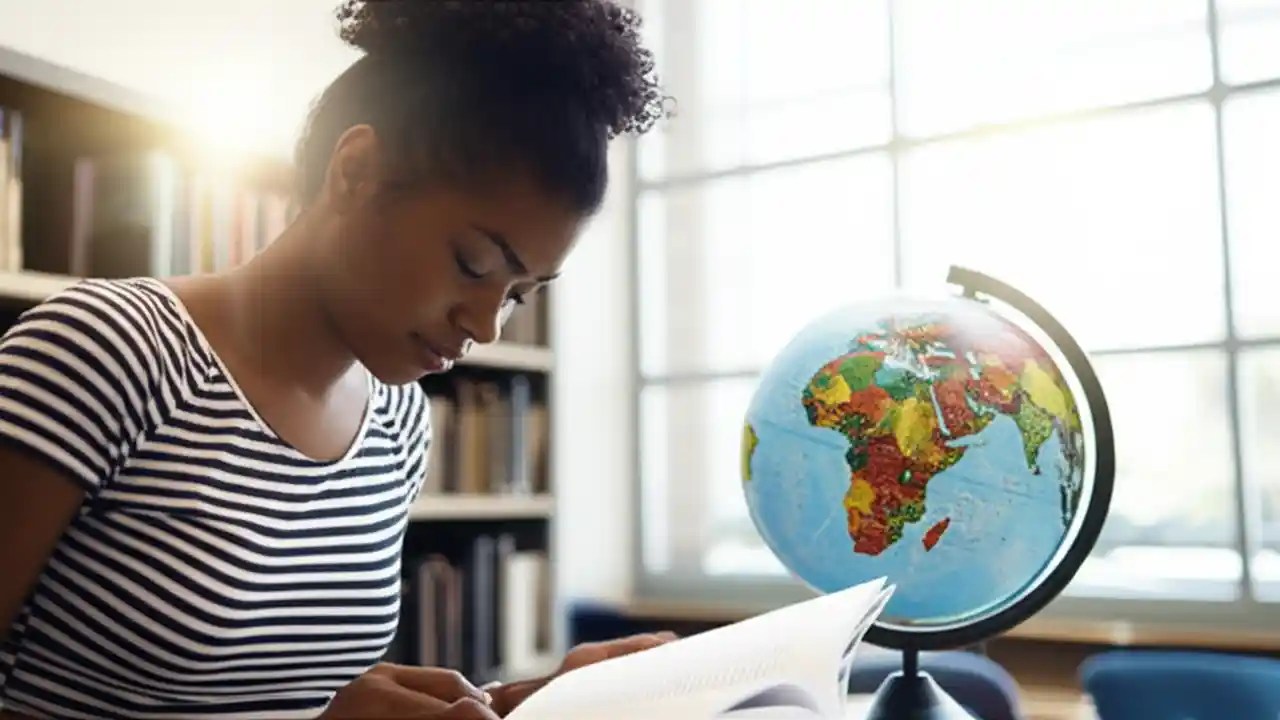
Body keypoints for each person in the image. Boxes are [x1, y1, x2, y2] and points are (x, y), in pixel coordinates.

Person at [0, 1, 673, 718]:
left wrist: (521, 703)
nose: (485, 326)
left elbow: (268, 691)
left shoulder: (397, 425)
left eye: (518, 294)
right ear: (355, 171)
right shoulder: (105, 350)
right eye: (473, 264)